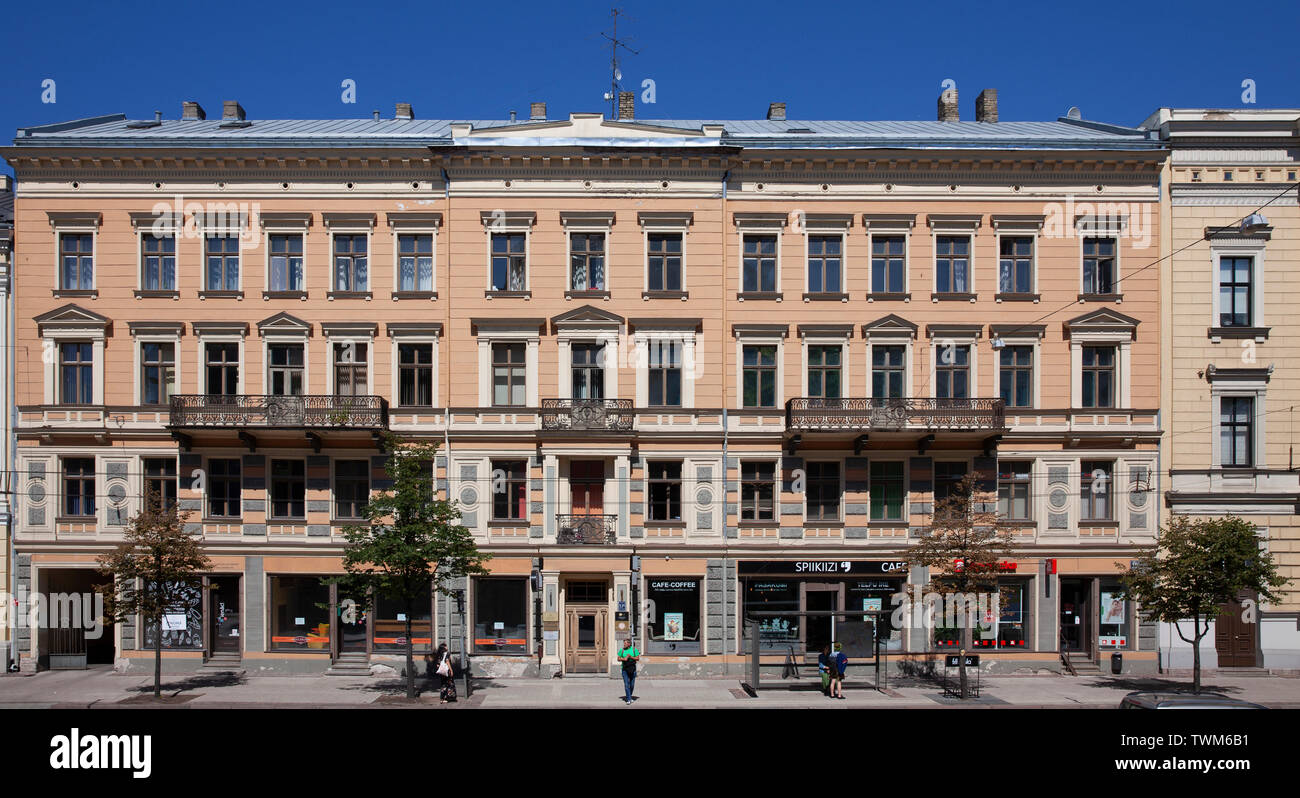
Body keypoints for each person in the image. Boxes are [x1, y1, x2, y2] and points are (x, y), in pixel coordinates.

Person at [617, 638, 640, 704]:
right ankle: (629, 699)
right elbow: (618, 658)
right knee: (627, 684)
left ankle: (629, 696)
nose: (624, 644)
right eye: (624, 643)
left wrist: (630, 657)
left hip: (632, 669)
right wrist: (624, 659)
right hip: (624, 669)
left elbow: (637, 658)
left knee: (632, 685)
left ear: (629, 644)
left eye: (625, 643)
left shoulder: (634, 650)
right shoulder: (622, 650)